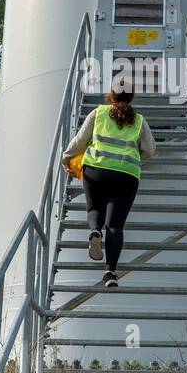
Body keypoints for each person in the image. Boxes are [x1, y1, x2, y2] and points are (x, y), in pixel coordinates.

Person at [62, 86, 156, 289]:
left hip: (96, 170)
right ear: (131, 98)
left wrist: (66, 158)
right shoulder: (139, 120)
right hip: (126, 174)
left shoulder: (98, 113)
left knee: (95, 208)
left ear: (110, 96)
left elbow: (80, 140)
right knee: (115, 226)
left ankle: (95, 231)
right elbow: (149, 150)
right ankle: (110, 272)